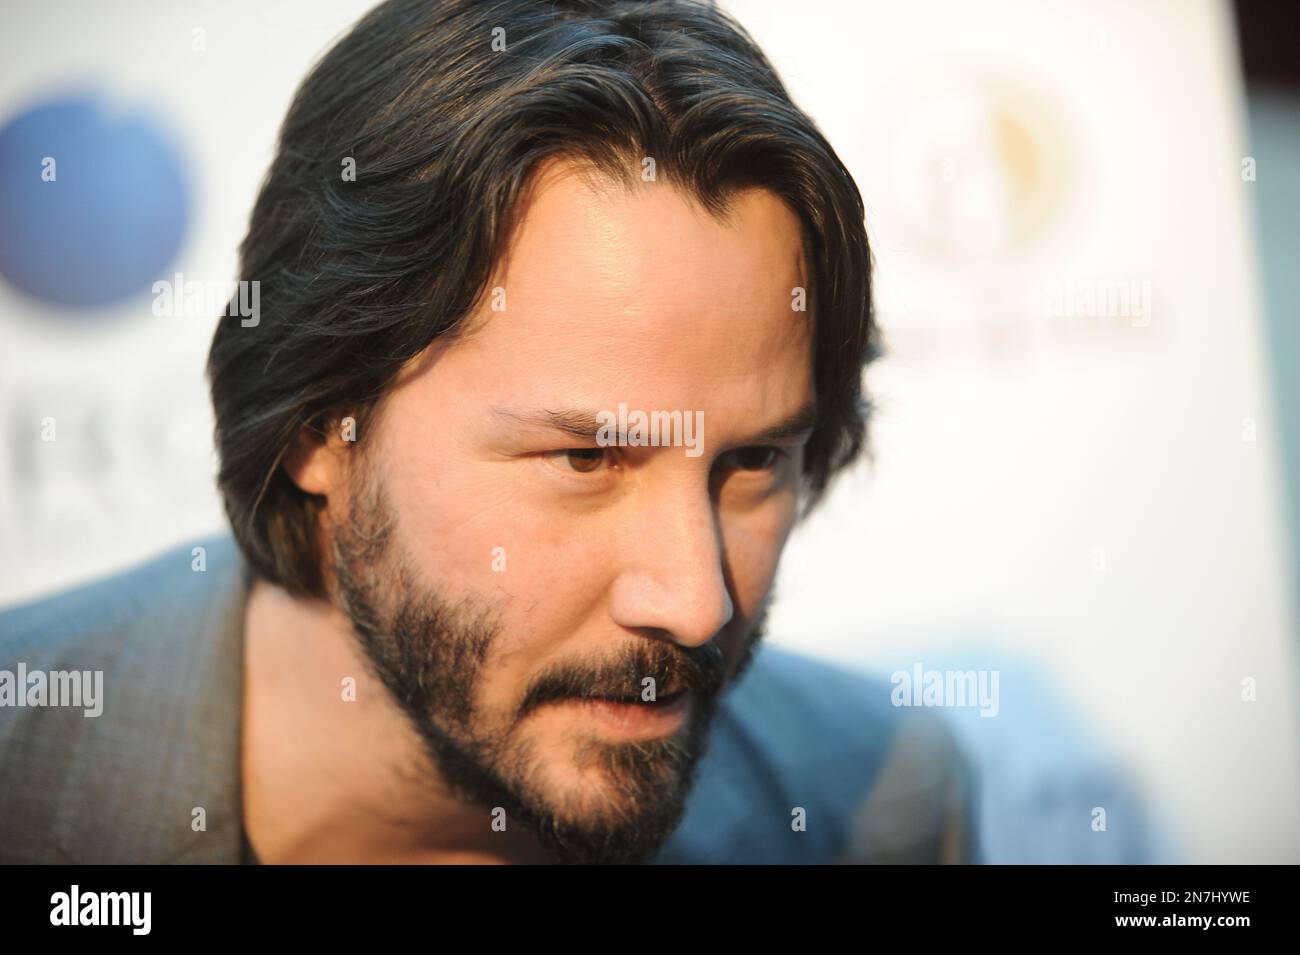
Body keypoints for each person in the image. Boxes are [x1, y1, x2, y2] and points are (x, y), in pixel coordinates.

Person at [0, 0, 980, 865]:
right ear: (315, 425)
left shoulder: (877, 802)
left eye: (754, 460)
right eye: (585, 456)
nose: (693, 602)